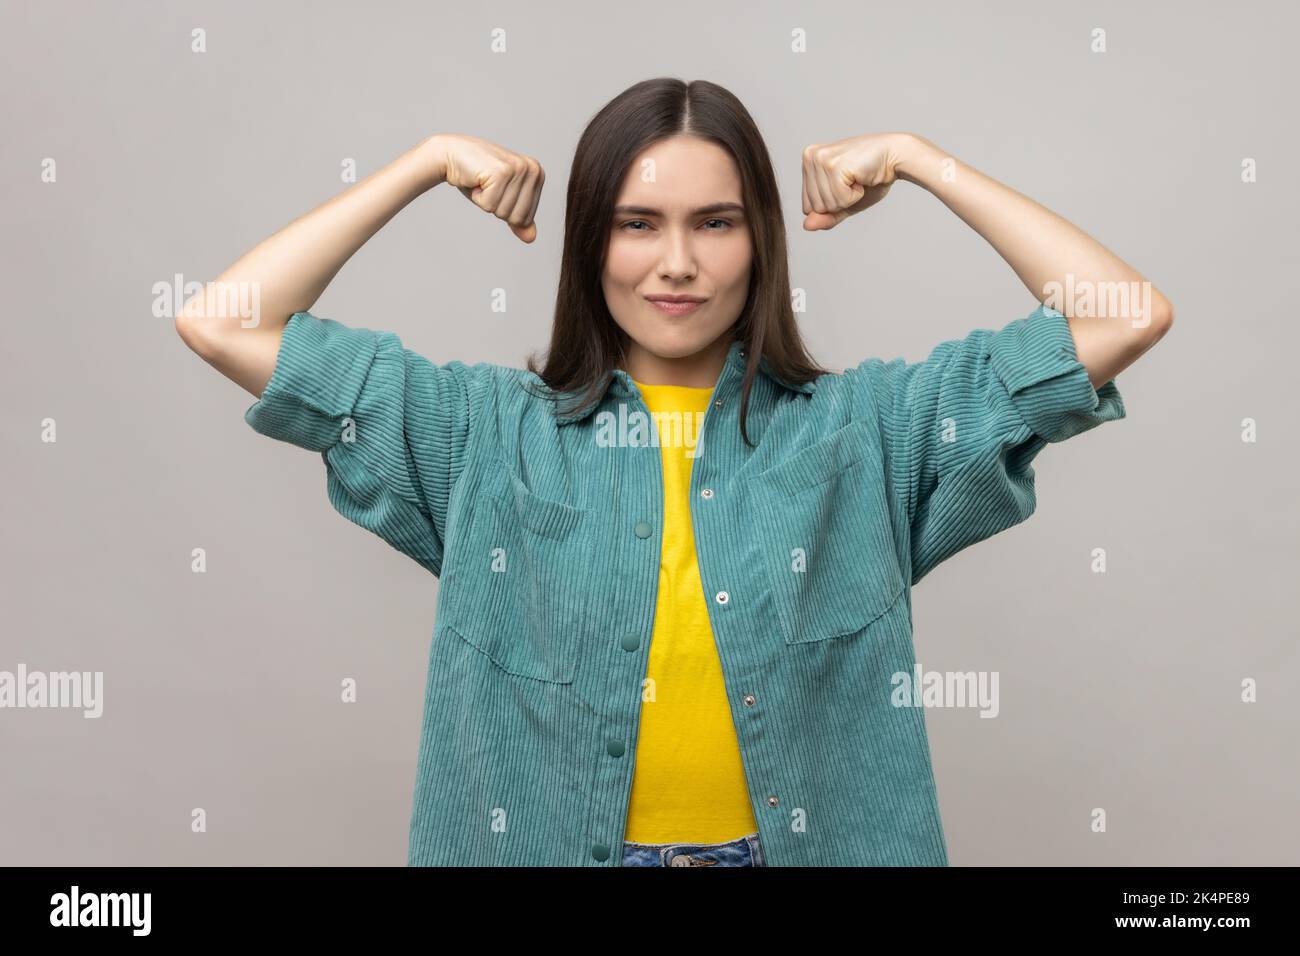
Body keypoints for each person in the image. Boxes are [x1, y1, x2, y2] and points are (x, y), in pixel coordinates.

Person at [175, 77, 1171, 867]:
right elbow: (221, 320)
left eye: (716, 222)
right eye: (637, 222)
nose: (678, 263)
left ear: (761, 243)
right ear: (588, 244)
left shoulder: (868, 430)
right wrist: (424, 162)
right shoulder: (476, 432)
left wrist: (919, 160)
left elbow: (1121, 315)